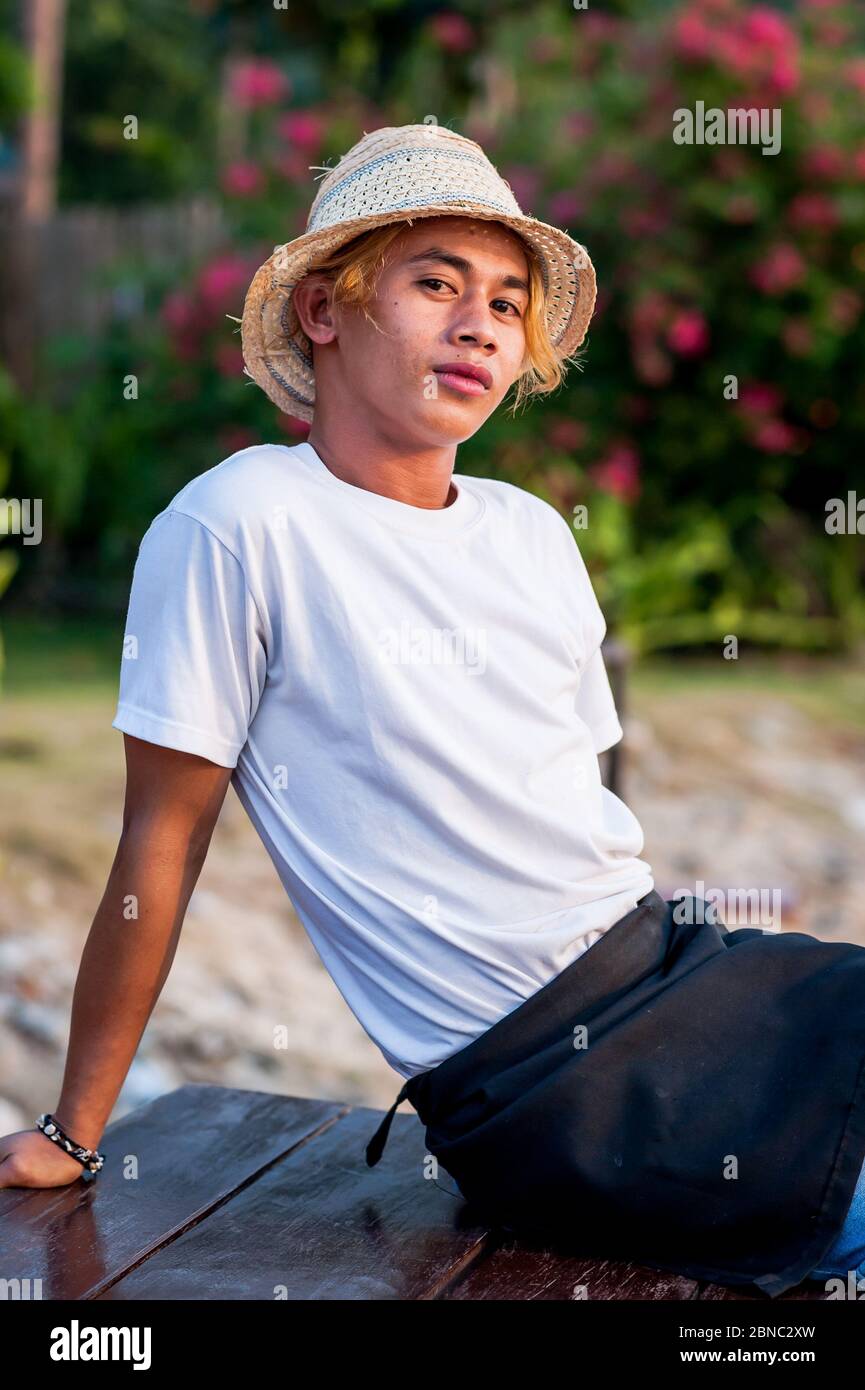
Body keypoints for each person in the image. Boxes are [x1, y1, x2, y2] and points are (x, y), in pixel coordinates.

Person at [2, 124, 864, 1300]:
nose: (479, 325)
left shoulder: (528, 531)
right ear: (324, 310)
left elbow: (579, 804)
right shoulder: (240, 524)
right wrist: (76, 1128)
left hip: (668, 969)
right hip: (541, 1085)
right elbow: (162, 840)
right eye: (435, 283)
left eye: (508, 304)